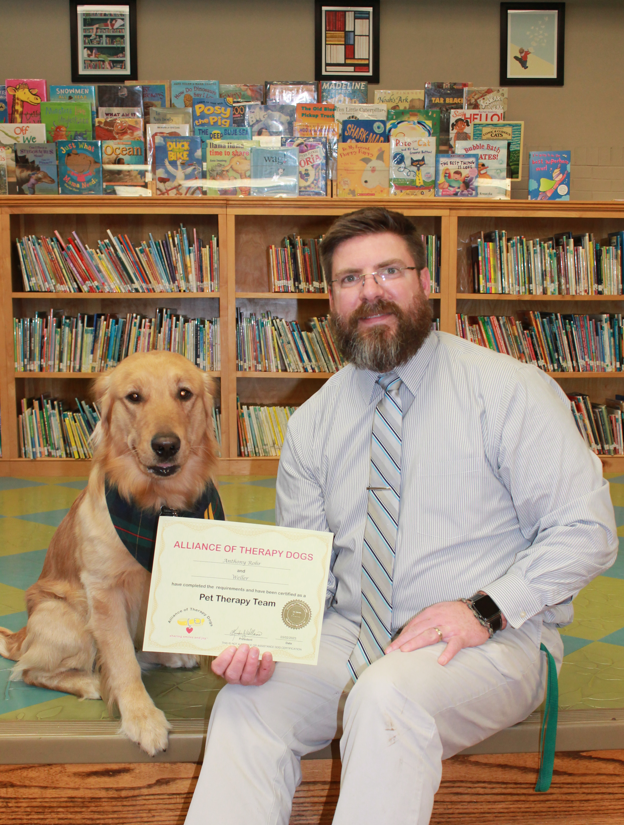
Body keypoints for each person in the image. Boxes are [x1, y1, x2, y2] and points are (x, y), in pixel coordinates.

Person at [184, 207, 617, 825]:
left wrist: (483, 609)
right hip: (349, 631)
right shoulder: (313, 424)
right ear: (330, 298)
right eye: (350, 278)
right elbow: (306, 576)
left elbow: (587, 533)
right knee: (244, 704)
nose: (372, 292)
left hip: (492, 637)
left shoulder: (509, 392)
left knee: (387, 696)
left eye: (390, 270)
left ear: (424, 281)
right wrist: (261, 635)